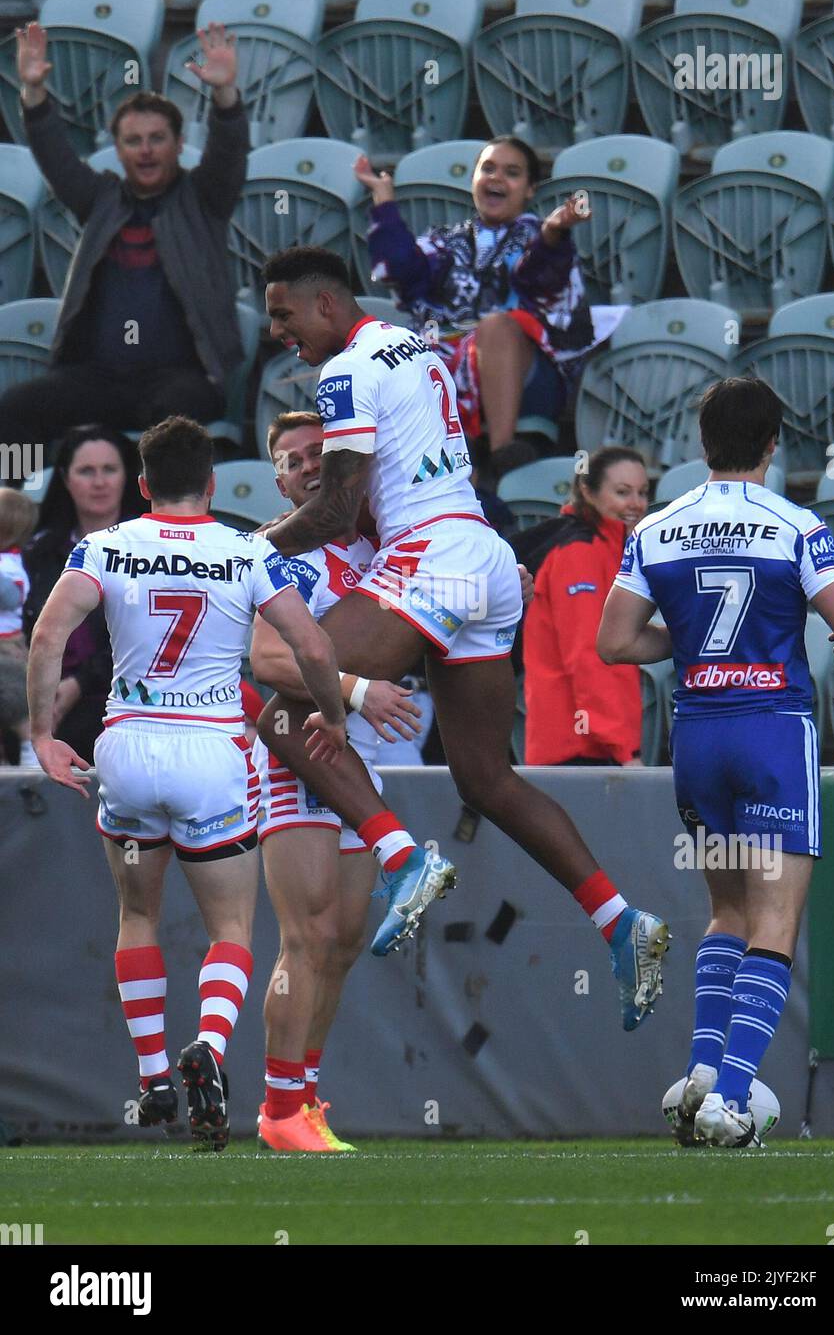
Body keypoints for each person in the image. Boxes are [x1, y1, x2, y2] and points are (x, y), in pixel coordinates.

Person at [257, 245, 670, 1032]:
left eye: (284, 314)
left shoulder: (344, 371)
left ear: (325, 304)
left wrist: (243, 552)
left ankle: (403, 856)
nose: (279, 331)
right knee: (485, 775)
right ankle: (621, 921)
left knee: (279, 699)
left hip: (433, 559)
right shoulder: (419, 345)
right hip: (480, 551)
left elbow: (341, 511)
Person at [26, 416, 349, 1151]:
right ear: (211, 485)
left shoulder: (106, 546)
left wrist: (42, 735)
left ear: (141, 485)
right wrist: (332, 715)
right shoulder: (243, 550)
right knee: (229, 928)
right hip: (211, 755)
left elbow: (47, 636)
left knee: (138, 917)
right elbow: (310, 644)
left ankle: (151, 1083)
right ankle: (206, 1043)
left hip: (129, 749)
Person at [597, 376, 834, 1145]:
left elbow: (614, 643)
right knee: (775, 923)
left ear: (700, 444)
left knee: (727, 913)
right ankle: (733, 1101)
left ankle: (700, 1079)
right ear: (775, 445)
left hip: (700, 737)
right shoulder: (796, 525)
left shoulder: (657, 527)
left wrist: (687, 648)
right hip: (772, 731)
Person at [250, 410, 424, 1151]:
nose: (310, 466)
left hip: (357, 757)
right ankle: (278, 1113)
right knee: (306, 935)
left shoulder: (377, 542)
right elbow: (269, 662)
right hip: (297, 753)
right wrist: (356, 691)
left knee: (346, 939)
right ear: (280, 480)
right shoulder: (277, 552)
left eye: (321, 452)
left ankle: (305, 1098)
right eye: (293, 460)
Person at [0, 21, 249, 483]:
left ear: (178, 145)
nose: (147, 150)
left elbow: (229, 153)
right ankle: (13, 504)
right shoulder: (102, 200)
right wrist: (33, 93)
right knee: (14, 410)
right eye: (134, 141)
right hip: (99, 378)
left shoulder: (204, 199)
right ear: (117, 150)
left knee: (169, 420)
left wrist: (226, 95)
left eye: (158, 139)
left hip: (182, 379)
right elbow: (56, 159)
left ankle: (152, 520)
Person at [354, 136, 623, 484]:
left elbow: (541, 280)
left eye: (511, 173)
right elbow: (396, 270)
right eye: (488, 168)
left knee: (495, 327)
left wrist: (554, 233)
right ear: (474, 180)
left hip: (528, 375)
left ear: (529, 190)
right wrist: (384, 199)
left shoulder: (537, 237)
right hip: (449, 366)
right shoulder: (445, 242)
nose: (496, 178)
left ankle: (501, 454)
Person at [516, 447, 649, 766]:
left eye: (643, 493)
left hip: (583, 747)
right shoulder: (580, 553)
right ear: (587, 492)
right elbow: (587, 656)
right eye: (622, 492)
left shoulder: (602, 548)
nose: (636, 504)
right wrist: (623, 749)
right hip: (578, 750)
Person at [22, 425, 143, 763]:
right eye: (86, 471)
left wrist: (79, 682)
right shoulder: (38, 553)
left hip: (127, 694)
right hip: (43, 688)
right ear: (65, 478)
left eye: (109, 469)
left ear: (126, 476)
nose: (99, 482)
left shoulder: (152, 551)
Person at [0, 487, 39, 765]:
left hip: (6, 647)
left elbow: (12, 596)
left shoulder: (10, 564)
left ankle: (31, 758)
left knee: (19, 710)